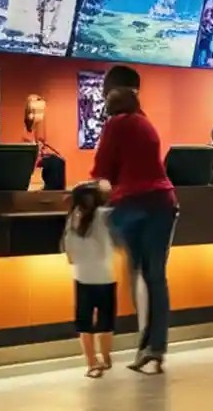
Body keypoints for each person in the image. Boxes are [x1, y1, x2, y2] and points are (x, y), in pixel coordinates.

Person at [91, 65, 179, 374]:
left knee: (135, 270)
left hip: (133, 206)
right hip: (164, 204)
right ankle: (154, 348)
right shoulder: (145, 123)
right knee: (156, 276)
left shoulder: (116, 125)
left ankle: (145, 345)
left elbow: (102, 174)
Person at [61, 182, 118, 379]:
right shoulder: (104, 215)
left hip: (81, 276)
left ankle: (91, 363)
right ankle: (106, 357)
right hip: (105, 276)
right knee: (105, 322)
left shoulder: (73, 219)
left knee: (84, 324)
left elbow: (69, 254)